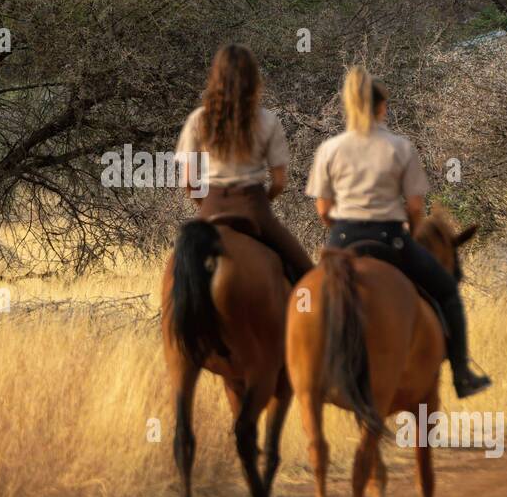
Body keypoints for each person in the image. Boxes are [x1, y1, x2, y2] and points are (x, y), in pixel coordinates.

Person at [305, 65, 490, 399]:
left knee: (305, 299)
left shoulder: (329, 149)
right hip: (391, 240)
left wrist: (344, 228)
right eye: (385, 106)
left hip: (342, 241)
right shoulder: (399, 147)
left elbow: (322, 210)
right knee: (447, 291)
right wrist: (409, 230)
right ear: (380, 108)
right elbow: (416, 208)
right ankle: (462, 374)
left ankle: (303, 374)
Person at [176, 44, 312, 282]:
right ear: (253, 78)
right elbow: (279, 181)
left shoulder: (198, 119)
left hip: (212, 205)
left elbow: (189, 180)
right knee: (305, 271)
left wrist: (206, 204)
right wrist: (262, 201)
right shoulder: (267, 120)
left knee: (178, 272)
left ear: (215, 76)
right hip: (253, 205)